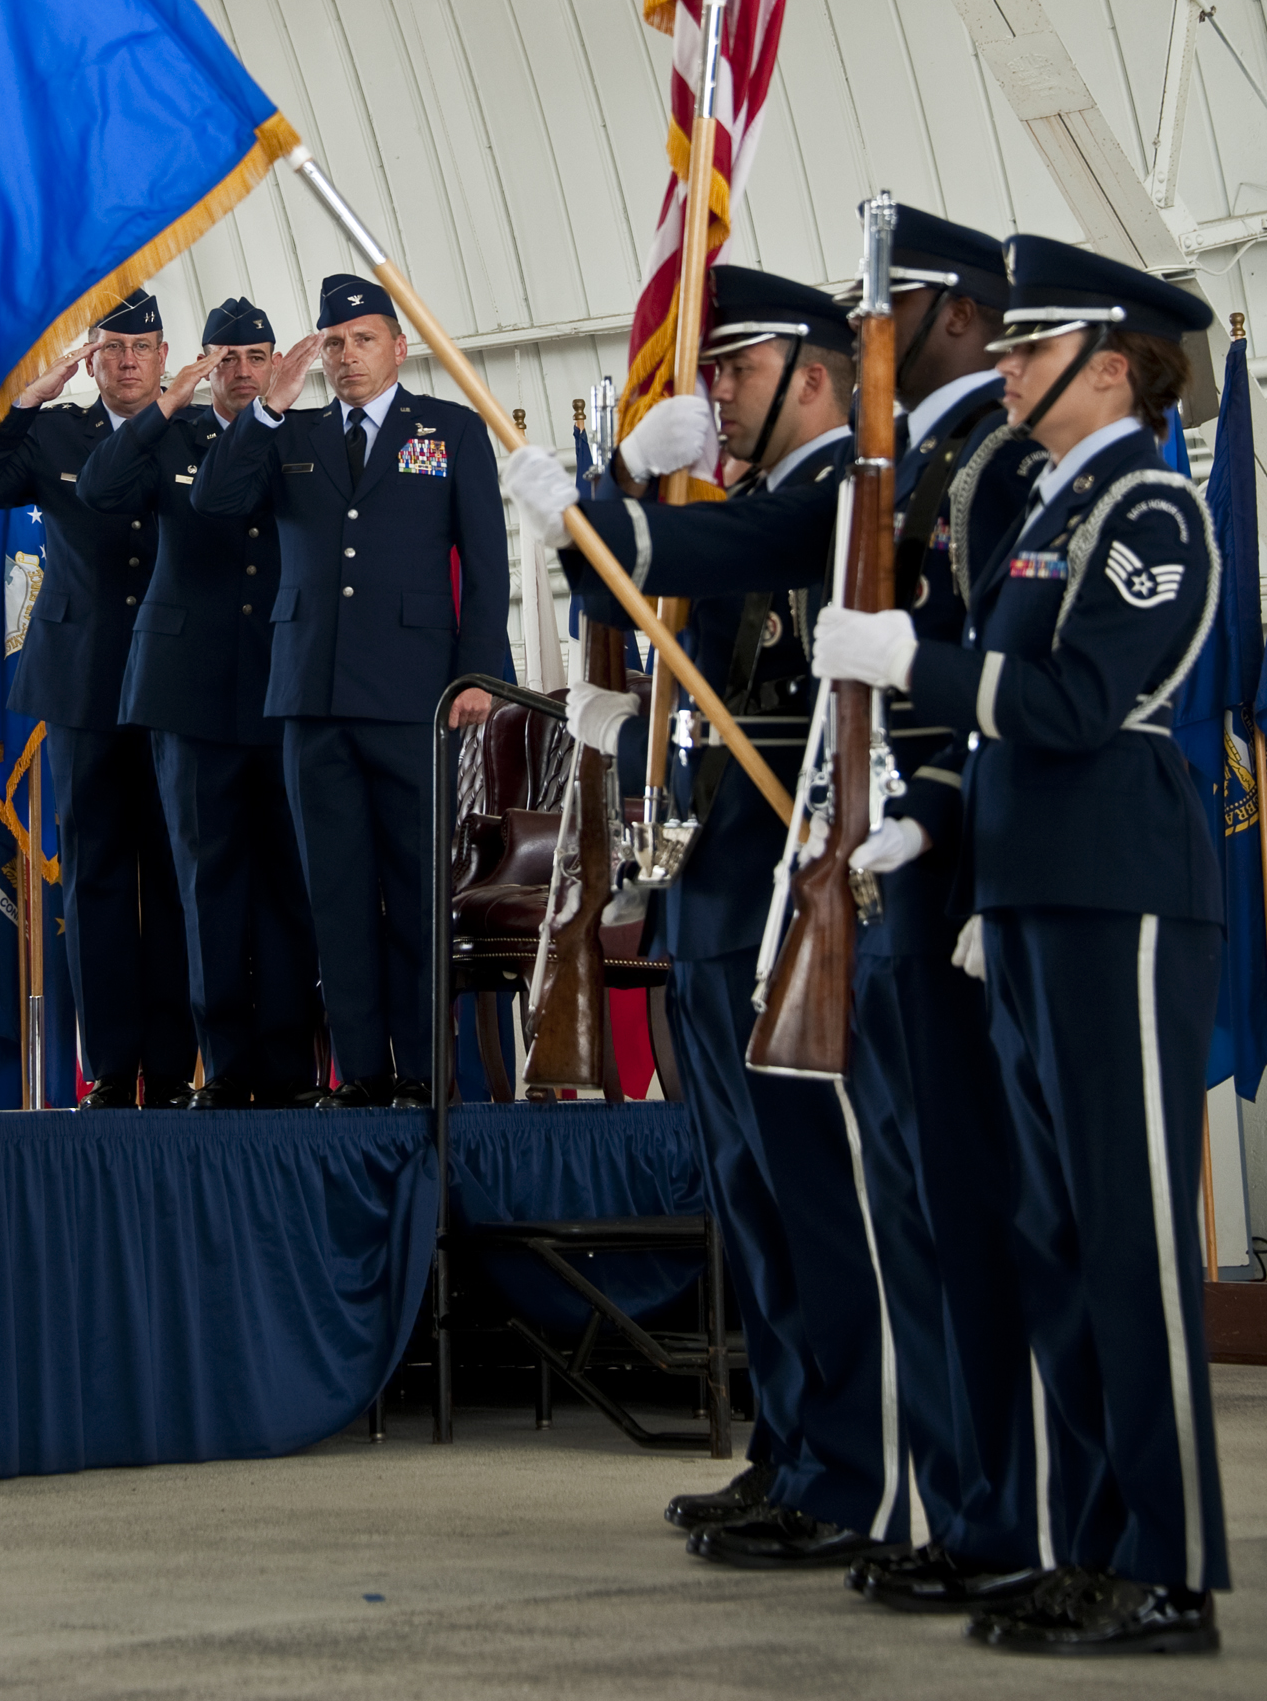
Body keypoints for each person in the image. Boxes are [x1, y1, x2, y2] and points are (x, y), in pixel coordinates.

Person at [813, 236, 1228, 1656]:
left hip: (1121, 897)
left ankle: (1171, 1568)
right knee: (1056, 1235)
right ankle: (1097, 1544)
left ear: (1111, 364)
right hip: (1036, 894)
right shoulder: (1051, 507)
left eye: (1031, 348)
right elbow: (1005, 725)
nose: (1004, 363)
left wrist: (910, 663)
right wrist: (933, 820)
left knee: (1134, 1239)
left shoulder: (1154, 511)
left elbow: (1068, 703)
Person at [561, 272, 920, 1571]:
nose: (713, 393)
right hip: (722, 883)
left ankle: (857, 1466)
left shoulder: (853, 499)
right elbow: (611, 602)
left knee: (819, 1191)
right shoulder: (761, 504)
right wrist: (626, 484)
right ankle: (795, 1442)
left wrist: (615, 500)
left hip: (806, 887)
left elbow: (653, 564)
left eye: (737, 370)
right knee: (753, 1190)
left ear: (813, 375)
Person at [191, 274, 510, 1107]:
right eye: (333, 342)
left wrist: (479, 670)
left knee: (414, 889)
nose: (346, 355)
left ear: (398, 348)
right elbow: (216, 501)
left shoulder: (447, 429)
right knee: (332, 893)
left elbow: (486, 558)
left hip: (415, 695)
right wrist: (265, 410)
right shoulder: (285, 434)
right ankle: (362, 1072)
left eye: (362, 339)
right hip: (311, 695)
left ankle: (424, 1071)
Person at [75, 296, 320, 1110]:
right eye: (228, 359)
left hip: (282, 690)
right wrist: (168, 400)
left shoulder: (305, 434)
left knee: (287, 886)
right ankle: (223, 1069)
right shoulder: (167, 432)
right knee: (205, 883)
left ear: (280, 360)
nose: (244, 373)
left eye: (257, 357)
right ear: (205, 363)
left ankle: (287, 1069)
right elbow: (102, 489)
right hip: (187, 694)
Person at [0, 291, 194, 1109]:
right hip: (81, 680)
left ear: (166, 357)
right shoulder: (56, 433)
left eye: (143, 348)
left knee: (171, 874)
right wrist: (24, 404)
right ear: (91, 359)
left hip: (172, 687)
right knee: (92, 879)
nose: (128, 362)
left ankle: (169, 1070)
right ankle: (112, 1067)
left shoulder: (194, 434)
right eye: (113, 348)